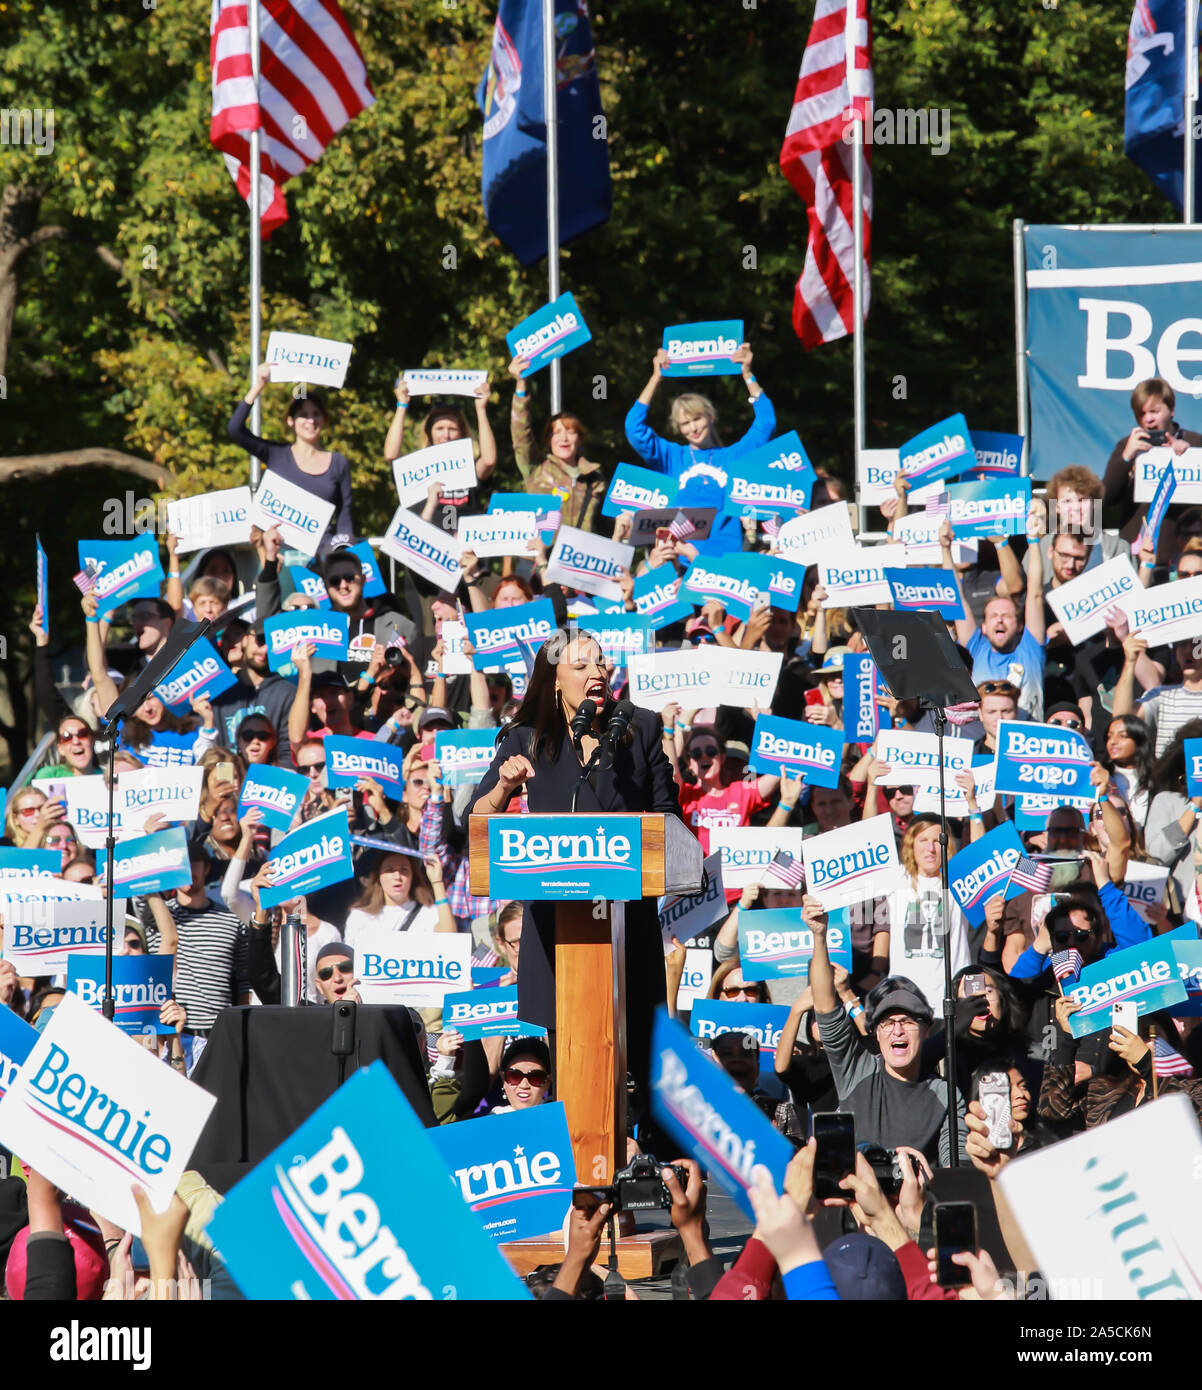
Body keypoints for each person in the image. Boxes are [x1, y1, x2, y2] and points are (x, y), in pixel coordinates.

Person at [467, 629, 681, 1094]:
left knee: (640, 1075)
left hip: (628, 927)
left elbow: (669, 822)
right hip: (557, 929)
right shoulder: (526, 737)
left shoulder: (640, 728)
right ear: (555, 680)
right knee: (573, 1074)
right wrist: (503, 788)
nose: (596, 672)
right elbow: (473, 823)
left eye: (601, 663)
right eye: (581, 665)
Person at [804, 895, 969, 1166]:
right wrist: (819, 936)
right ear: (876, 1034)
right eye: (888, 1023)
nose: (897, 1031)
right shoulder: (857, 1070)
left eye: (907, 1021)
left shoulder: (945, 1094)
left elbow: (957, 1169)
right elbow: (825, 1007)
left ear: (926, 1031)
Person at [625, 341, 776, 556]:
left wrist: (747, 374)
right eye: (685, 424)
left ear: (710, 417)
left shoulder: (732, 457)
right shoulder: (672, 457)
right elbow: (634, 428)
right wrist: (656, 377)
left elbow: (766, 423)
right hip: (678, 559)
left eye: (697, 419)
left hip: (724, 560)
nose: (693, 428)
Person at [229, 364, 354, 548]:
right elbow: (235, 429)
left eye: (316, 414)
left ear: (323, 420)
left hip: (320, 559)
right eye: (303, 415)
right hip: (279, 555)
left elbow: (345, 516)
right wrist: (258, 386)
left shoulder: (338, 463)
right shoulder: (276, 454)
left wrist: (345, 553)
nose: (310, 420)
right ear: (291, 421)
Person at [947, 521, 1047, 720]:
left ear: (1020, 626)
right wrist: (945, 548)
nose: (1000, 620)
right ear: (983, 627)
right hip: (985, 744)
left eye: (1007, 616)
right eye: (994, 616)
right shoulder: (975, 649)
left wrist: (1034, 541)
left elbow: (1035, 593)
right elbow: (955, 597)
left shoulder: (1031, 649)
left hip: (1025, 743)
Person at [1103, 376, 1201, 562]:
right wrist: (1126, 457)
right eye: (1142, 414)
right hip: (1134, 553)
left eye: (1154, 411)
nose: (1148, 419)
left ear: (1171, 410)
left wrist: (1188, 457)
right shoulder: (1127, 445)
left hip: (1182, 555)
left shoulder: (1195, 443)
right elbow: (1105, 497)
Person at [508, 357, 606, 531]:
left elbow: (606, 528)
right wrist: (521, 385)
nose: (564, 438)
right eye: (557, 432)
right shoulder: (535, 468)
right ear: (548, 439)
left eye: (570, 431)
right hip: (540, 555)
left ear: (580, 438)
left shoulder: (595, 478)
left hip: (578, 556)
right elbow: (521, 435)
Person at [386, 380, 497, 534]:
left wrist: (481, 409)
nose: (446, 435)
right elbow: (391, 455)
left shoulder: (467, 469)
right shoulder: (417, 466)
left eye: (452, 429)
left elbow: (489, 460)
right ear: (429, 433)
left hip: (462, 551)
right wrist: (402, 405)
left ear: (462, 433)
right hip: (424, 545)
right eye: (439, 428)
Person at [488, 1038, 553, 1114]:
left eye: (535, 1077)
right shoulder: (494, 1118)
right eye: (514, 1076)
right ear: (503, 1079)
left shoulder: (559, 1115)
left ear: (547, 1082)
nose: (524, 1085)